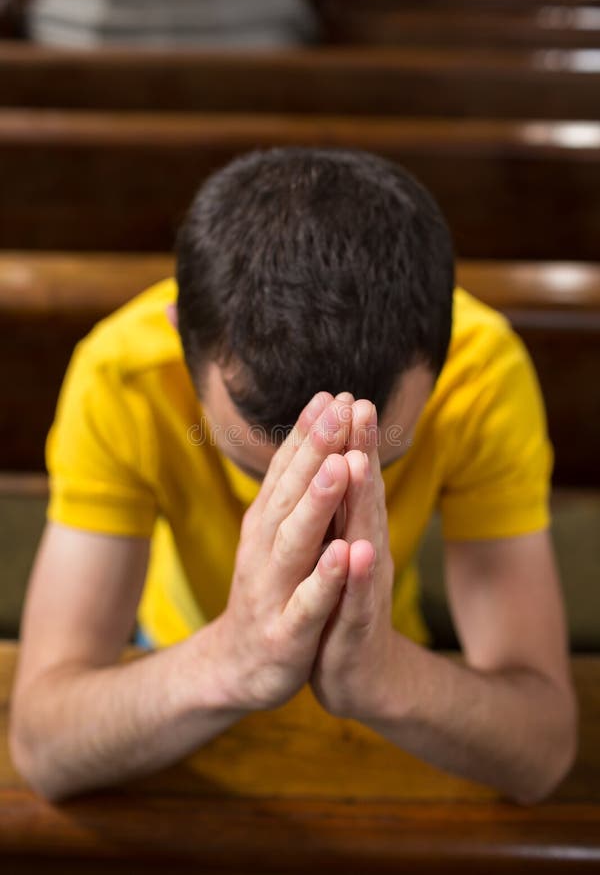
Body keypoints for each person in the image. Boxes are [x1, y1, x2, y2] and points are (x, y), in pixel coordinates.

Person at [9, 147, 577, 804]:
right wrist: (231, 659)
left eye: (374, 465)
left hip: (392, 644)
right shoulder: (121, 372)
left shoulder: (484, 371)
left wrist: (385, 673)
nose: (308, 546)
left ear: (447, 356)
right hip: (174, 645)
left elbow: (543, 749)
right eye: (254, 472)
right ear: (178, 340)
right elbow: (43, 746)